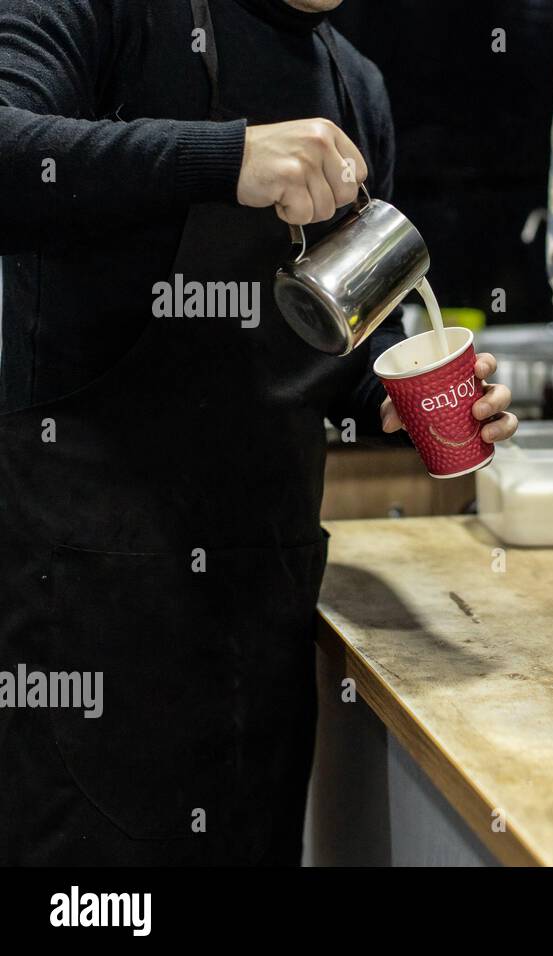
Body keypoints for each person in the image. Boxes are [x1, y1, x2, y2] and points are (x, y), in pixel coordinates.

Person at [0, 0, 516, 865]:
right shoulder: (104, 14)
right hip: (86, 616)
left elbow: (330, 338)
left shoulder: (354, 87)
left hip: (260, 619)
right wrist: (226, 156)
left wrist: (387, 398)